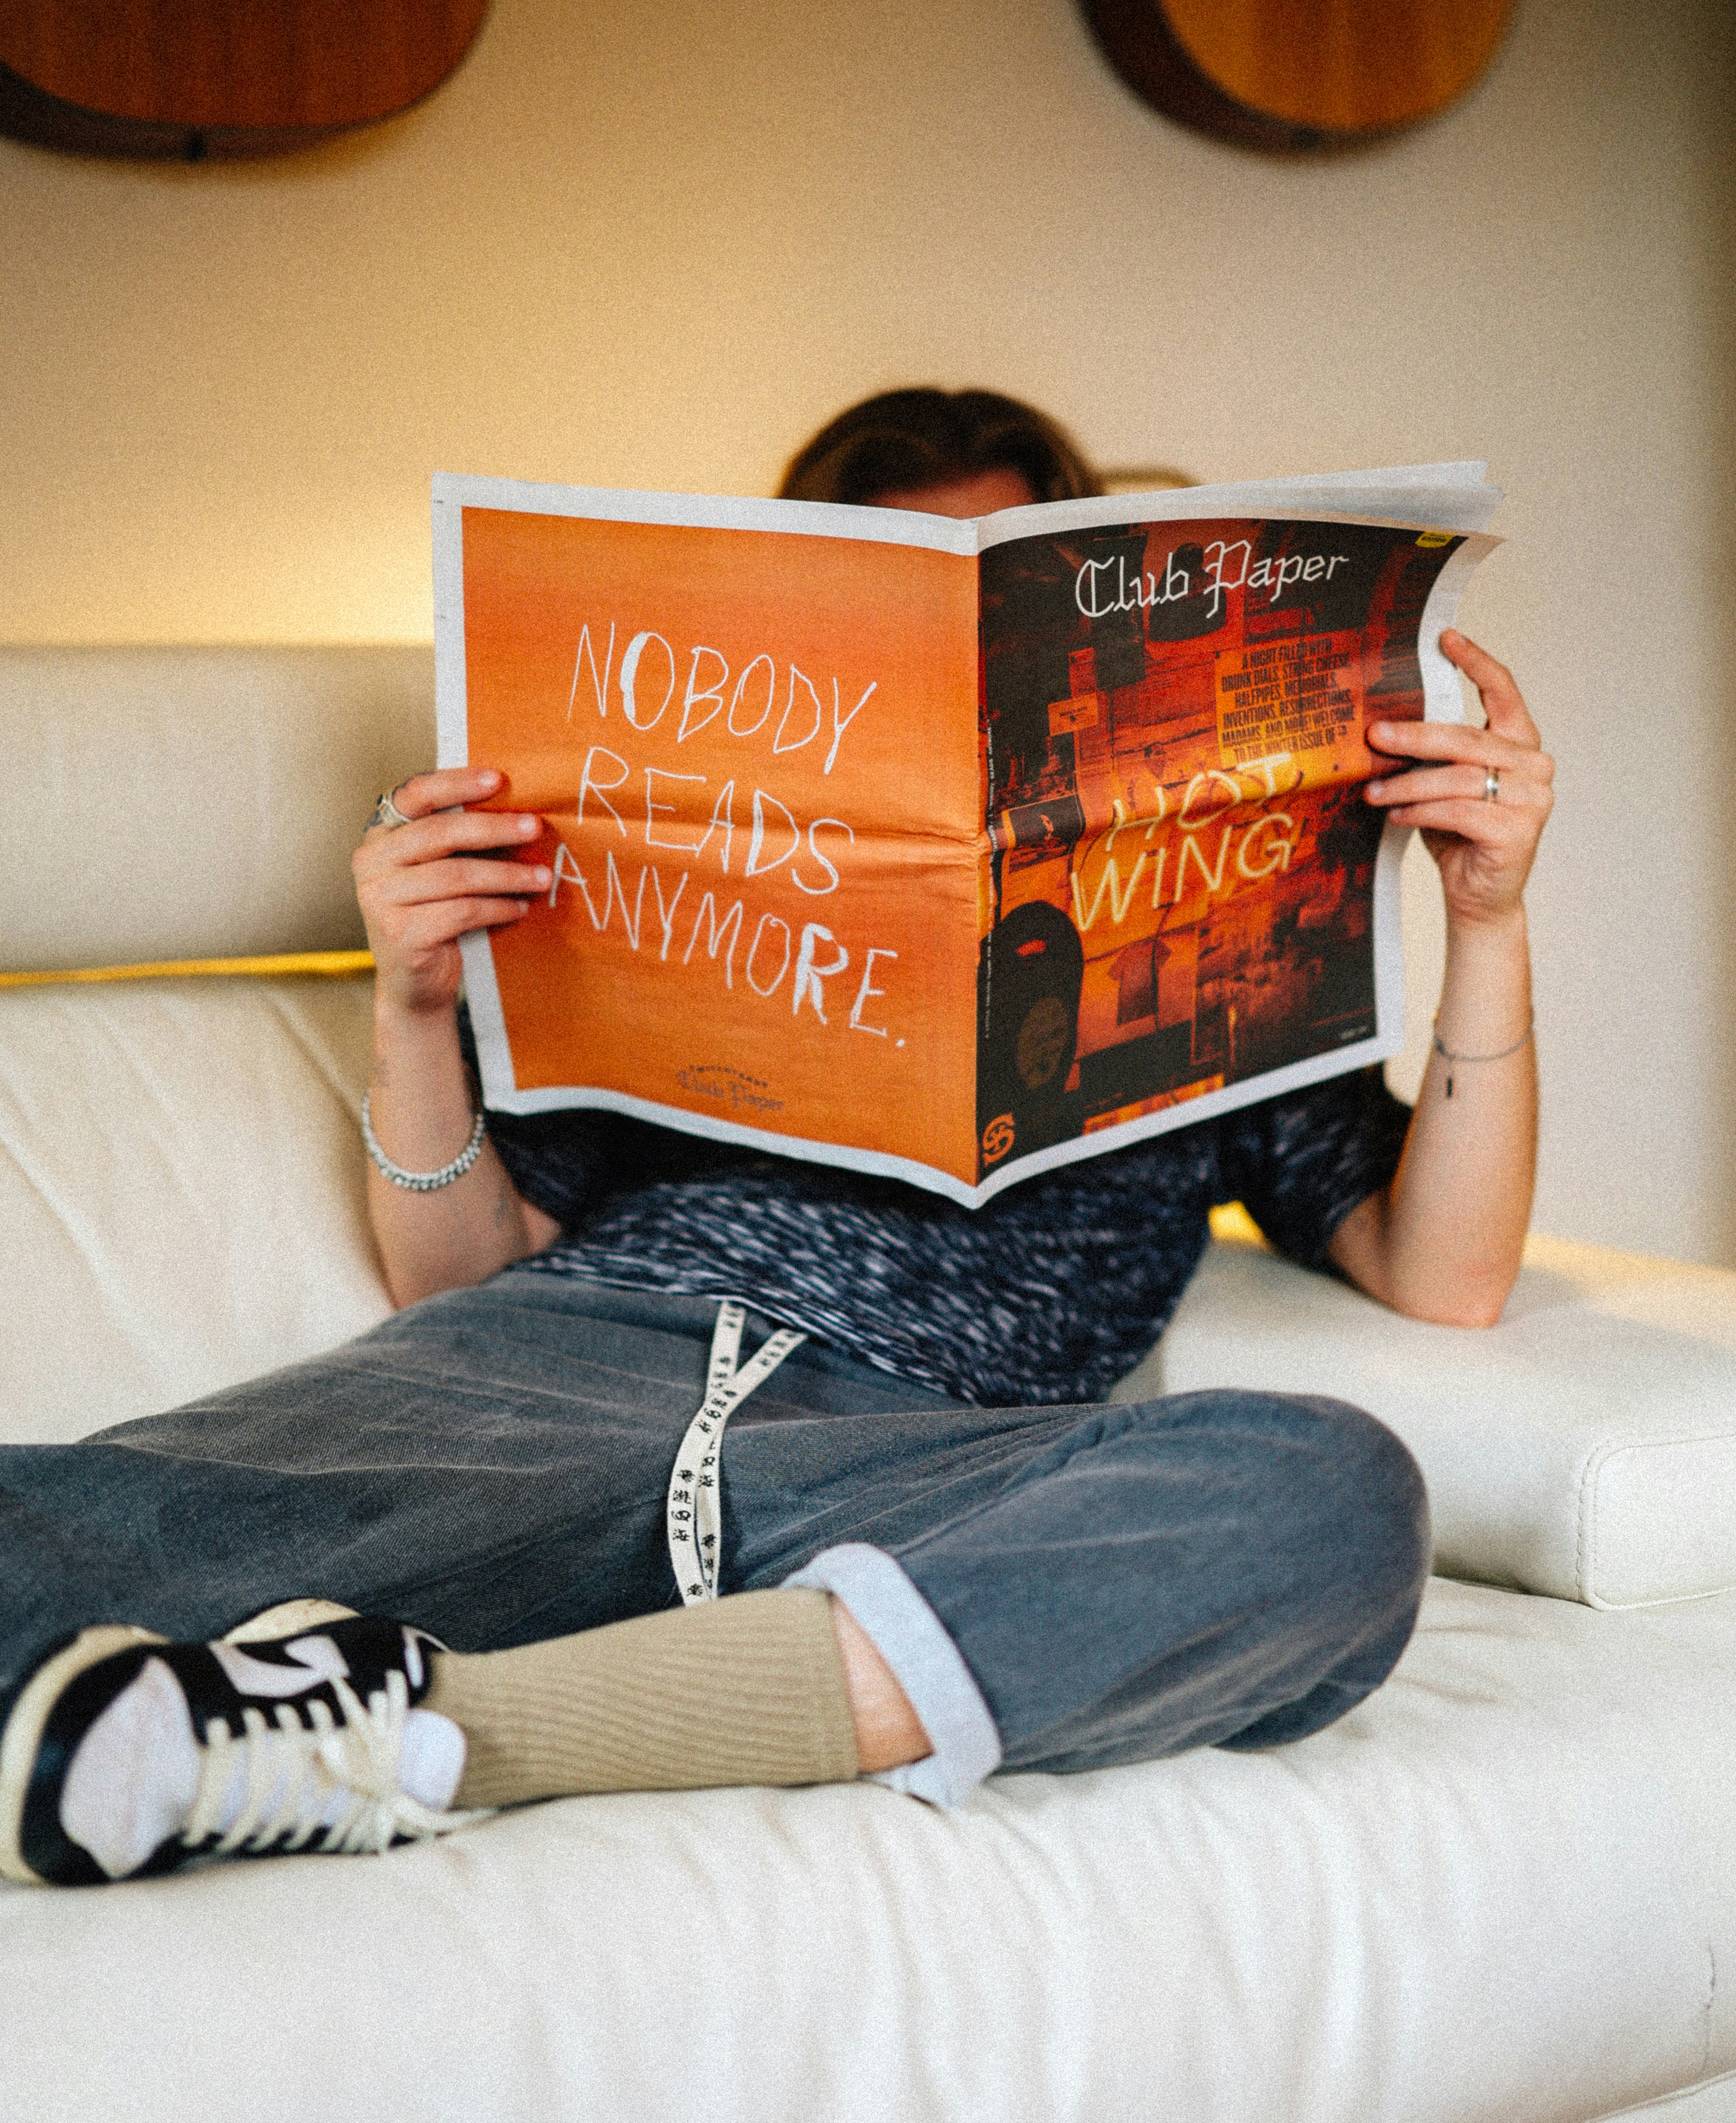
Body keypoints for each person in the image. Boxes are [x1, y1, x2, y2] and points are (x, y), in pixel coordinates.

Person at [0, 388, 1552, 1888]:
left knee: (1330, 1495)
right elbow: (455, 1271)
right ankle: (372, 1713)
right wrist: (415, 1006)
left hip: (919, 1463)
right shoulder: (677, 873)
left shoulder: (1215, 950)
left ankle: (442, 1737)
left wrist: (1486, 918)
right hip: (561, 1372)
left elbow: (1449, 1278)